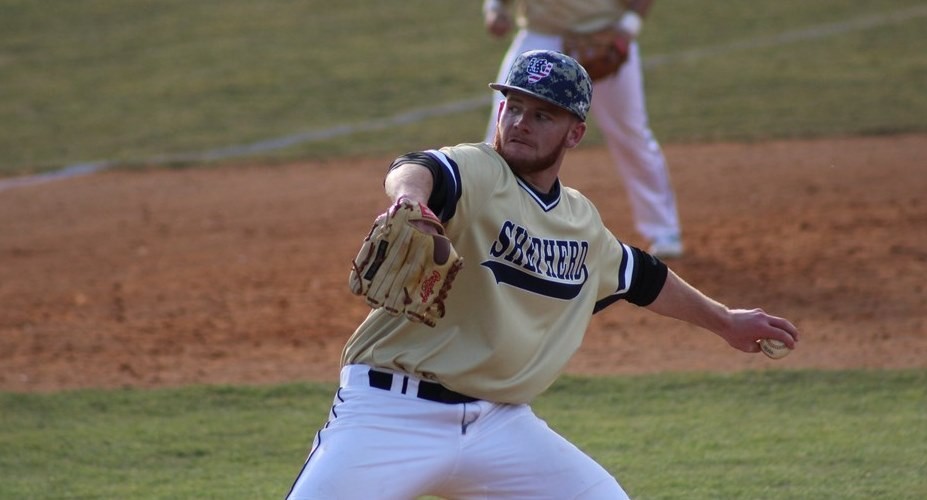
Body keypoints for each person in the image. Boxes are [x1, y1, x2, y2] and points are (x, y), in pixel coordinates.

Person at [285, 50, 799, 499]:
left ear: (575, 133)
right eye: (514, 107)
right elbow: (420, 166)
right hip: (390, 413)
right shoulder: (481, 171)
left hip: (498, 429)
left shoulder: (580, 220)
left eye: (543, 115)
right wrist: (409, 199)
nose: (521, 122)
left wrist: (726, 321)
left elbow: (641, 276)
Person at [483, 0, 685, 258]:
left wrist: (627, 29)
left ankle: (662, 228)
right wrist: (494, 9)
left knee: (630, 134)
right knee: (502, 136)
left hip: (605, 36)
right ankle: (493, 223)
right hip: (539, 42)